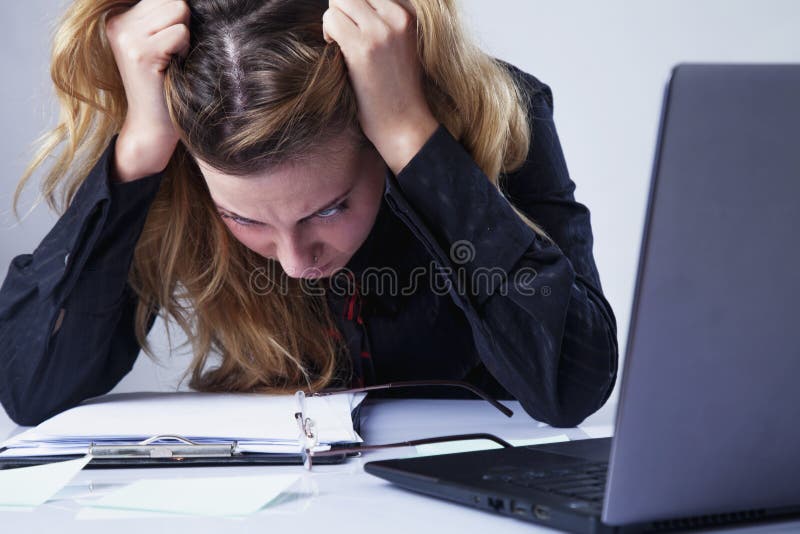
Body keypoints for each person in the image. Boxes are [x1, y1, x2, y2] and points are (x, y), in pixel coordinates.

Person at [0, 0, 618, 428]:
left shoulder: (502, 115)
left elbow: (569, 387)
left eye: (328, 208)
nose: (295, 264)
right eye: (244, 220)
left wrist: (412, 139)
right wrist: (137, 153)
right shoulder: (171, 159)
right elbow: (31, 389)